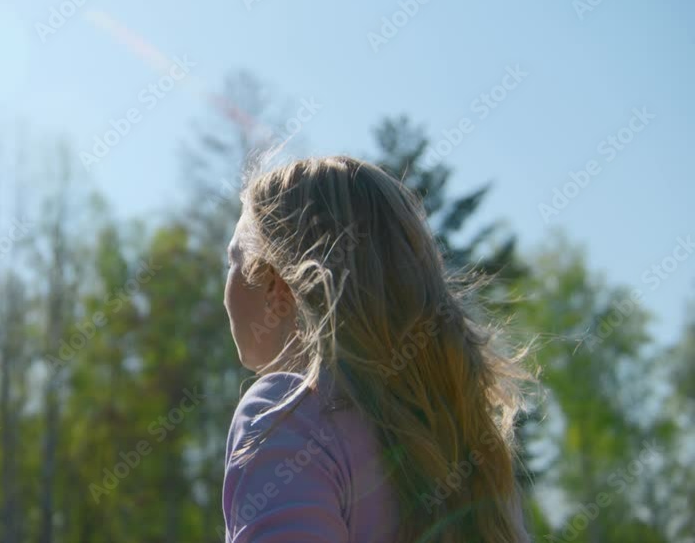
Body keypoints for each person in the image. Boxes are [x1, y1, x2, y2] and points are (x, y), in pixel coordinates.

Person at [221, 156, 532, 542]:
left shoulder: (285, 414)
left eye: (232, 260)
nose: (225, 293)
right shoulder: (459, 434)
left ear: (275, 287)